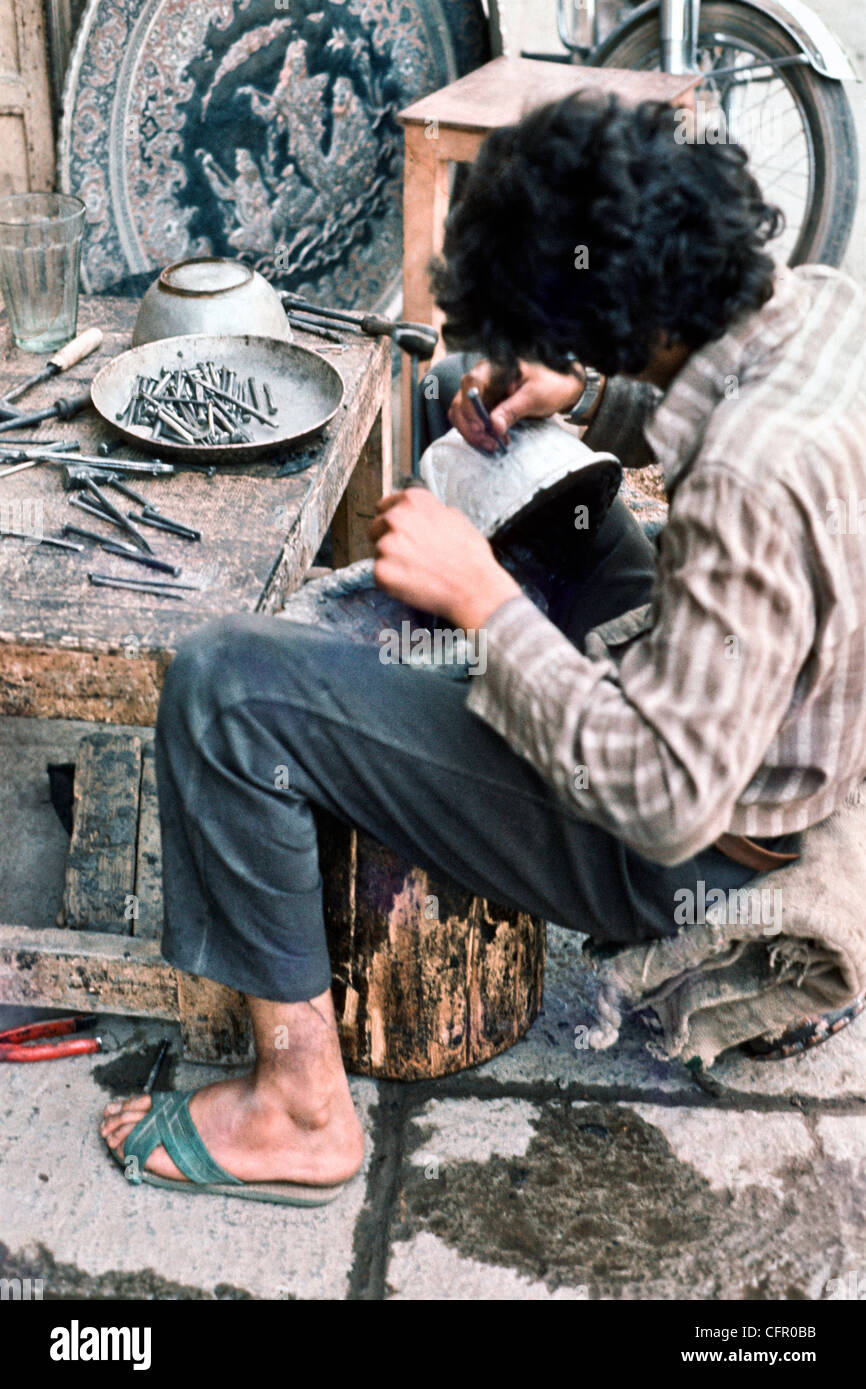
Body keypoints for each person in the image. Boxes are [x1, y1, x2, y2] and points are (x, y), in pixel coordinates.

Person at [101, 94, 866, 1201]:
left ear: (618, 314)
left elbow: (667, 793)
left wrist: (483, 600)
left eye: (546, 334)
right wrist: (587, 396)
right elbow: (717, 419)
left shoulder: (748, 474)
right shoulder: (823, 309)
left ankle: (301, 1109)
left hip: (691, 843)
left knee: (224, 686)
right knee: (555, 501)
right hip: (783, 715)